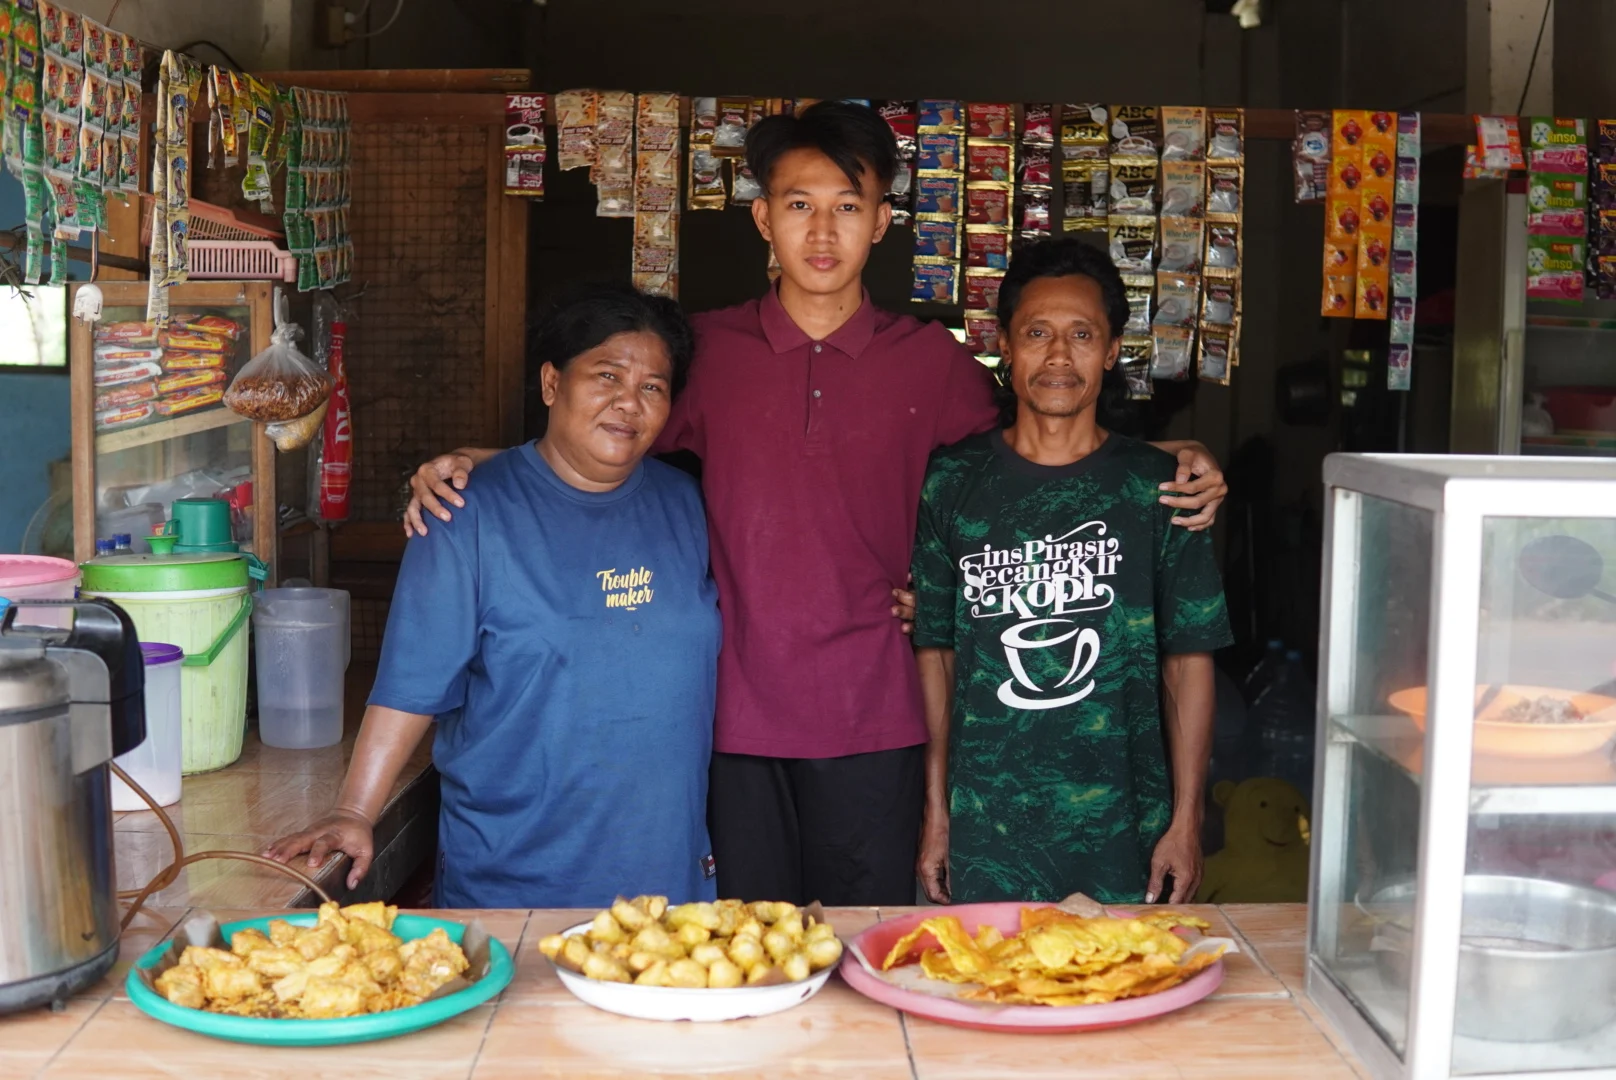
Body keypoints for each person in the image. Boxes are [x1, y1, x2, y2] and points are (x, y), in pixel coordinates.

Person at [402, 103, 1227, 907]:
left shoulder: (929, 366)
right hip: (733, 717)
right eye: (800, 206)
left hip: (878, 714)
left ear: (882, 222)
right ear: (763, 218)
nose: (823, 233)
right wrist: (480, 463)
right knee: (749, 952)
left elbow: (1042, 451)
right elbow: (601, 438)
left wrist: (1177, 458)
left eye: (847, 208)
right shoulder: (709, 353)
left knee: (863, 947)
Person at [266, 284, 721, 908]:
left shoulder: (687, 505)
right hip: (518, 879)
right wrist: (355, 809)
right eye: (607, 375)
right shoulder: (464, 511)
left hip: (667, 879)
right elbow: (410, 682)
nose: (628, 402)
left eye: (653, 386)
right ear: (552, 383)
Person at [910, 237, 1233, 908]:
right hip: (988, 831)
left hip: (1128, 832)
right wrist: (937, 811)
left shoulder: (1162, 488)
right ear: (1003, 344)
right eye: (1037, 333)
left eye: (1081, 334)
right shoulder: (952, 482)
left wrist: (1186, 820)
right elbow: (937, 654)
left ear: (1113, 350)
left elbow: (1189, 662)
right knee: (985, 999)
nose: (1059, 356)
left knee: (1127, 997)